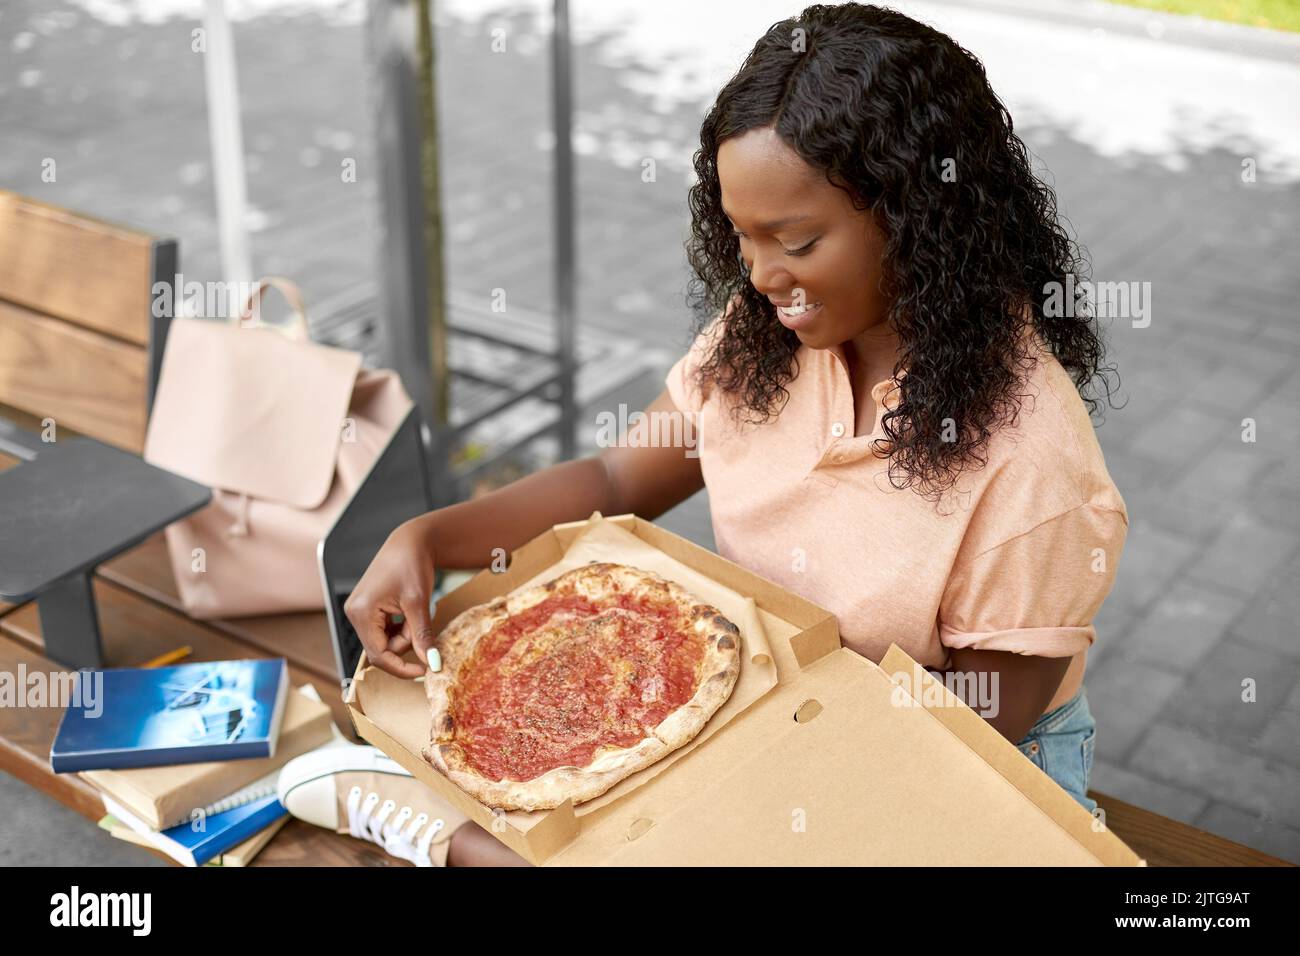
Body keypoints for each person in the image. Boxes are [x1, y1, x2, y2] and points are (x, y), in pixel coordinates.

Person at [342, 2, 1125, 866]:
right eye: (741, 236)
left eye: (794, 240)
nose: (758, 277)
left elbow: (968, 716)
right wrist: (429, 537)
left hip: (955, 761)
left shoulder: (1032, 458)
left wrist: (729, 780)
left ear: (918, 216)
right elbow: (614, 483)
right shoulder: (767, 337)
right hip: (767, 710)